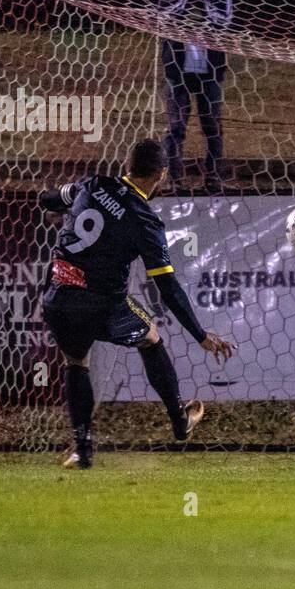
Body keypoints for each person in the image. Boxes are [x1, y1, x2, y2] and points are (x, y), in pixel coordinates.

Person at [40, 140, 235, 469]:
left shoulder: (93, 183)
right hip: (103, 305)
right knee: (151, 335)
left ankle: (82, 449)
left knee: (76, 362)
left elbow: (49, 198)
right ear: (160, 174)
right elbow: (168, 287)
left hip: (58, 298)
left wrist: (59, 208)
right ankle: (179, 420)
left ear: (127, 165)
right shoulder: (145, 220)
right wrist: (200, 334)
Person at [155, 0, 233, 193]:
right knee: (176, 126)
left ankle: (212, 177)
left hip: (208, 69)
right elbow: (164, 16)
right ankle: (173, 178)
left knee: (212, 125)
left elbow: (224, 19)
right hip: (177, 68)